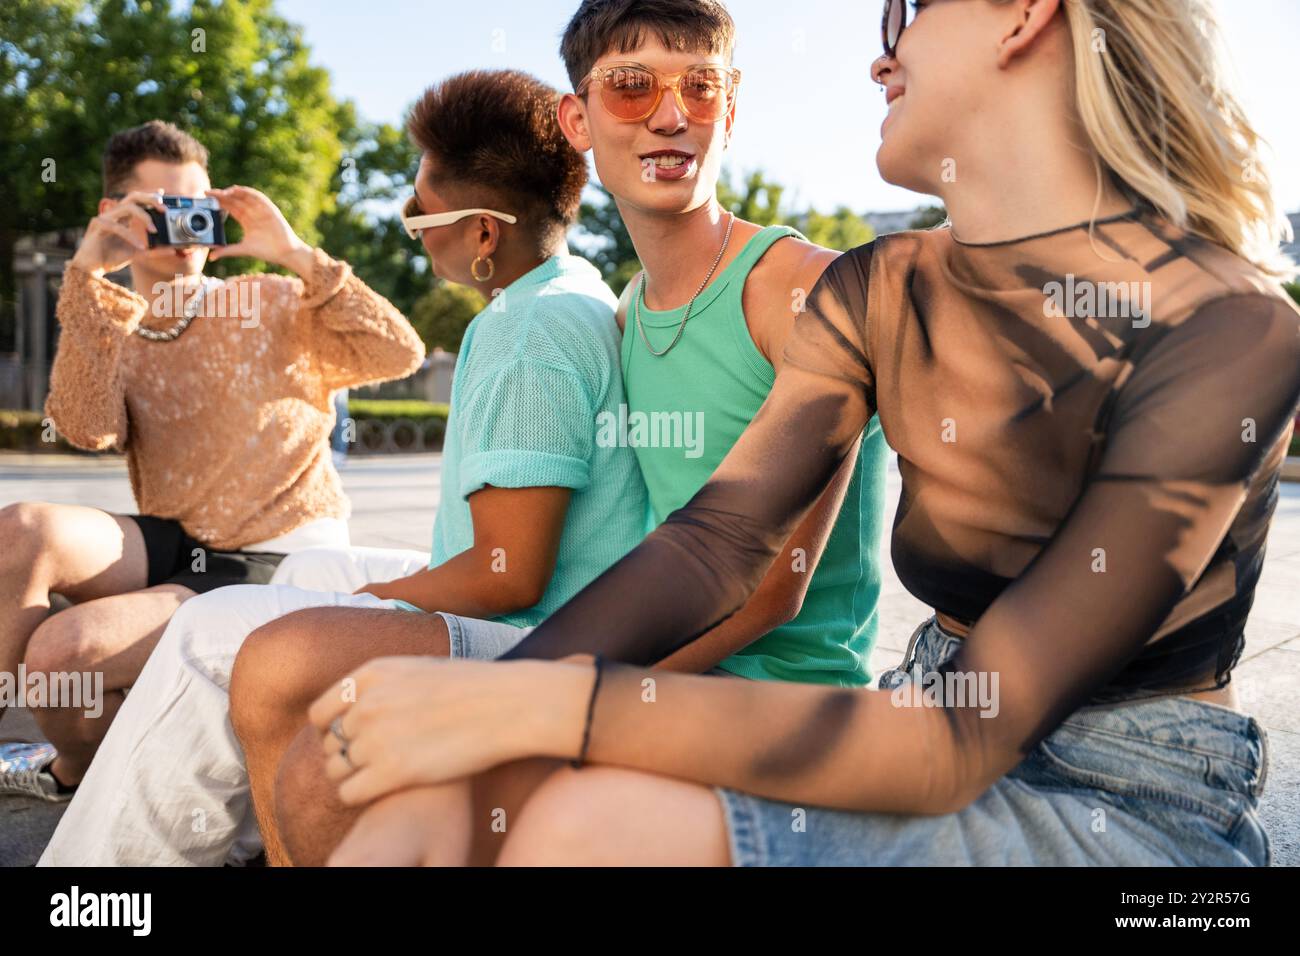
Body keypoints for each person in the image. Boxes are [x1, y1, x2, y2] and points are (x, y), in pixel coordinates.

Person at [314, 0, 1299, 867]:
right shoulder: (878, 286)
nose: (880, 57)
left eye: (899, 15)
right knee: (446, 798)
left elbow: (959, 737)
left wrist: (523, 704)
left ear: (1022, 13)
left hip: (1125, 807)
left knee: (586, 820)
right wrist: (482, 713)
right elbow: (715, 545)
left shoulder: (1231, 325)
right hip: (911, 710)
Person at [262, 0, 890, 866]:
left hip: (771, 699)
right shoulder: (628, 309)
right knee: (323, 760)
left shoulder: (798, 289)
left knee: (365, 786)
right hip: (660, 666)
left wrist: (554, 704)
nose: (671, 115)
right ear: (577, 118)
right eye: (631, 87)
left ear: (732, 110)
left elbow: (773, 589)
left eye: (700, 88)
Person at [37, 69, 648, 866]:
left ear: (484, 233)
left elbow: (509, 579)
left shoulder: (523, 331)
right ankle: (240, 822)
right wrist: (92, 278)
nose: (410, 219)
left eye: (420, 202)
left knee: (211, 631)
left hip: (538, 634)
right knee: (310, 577)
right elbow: (81, 426)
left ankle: (95, 880)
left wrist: (376, 600)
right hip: (553, 608)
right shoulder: (564, 291)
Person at [0, 120, 425, 801]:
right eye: (163, 212)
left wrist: (294, 252)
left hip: (281, 556)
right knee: (20, 527)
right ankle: (74, 764)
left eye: (199, 209)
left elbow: (397, 351)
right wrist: (86, 277)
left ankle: (74, 774)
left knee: (60, 656)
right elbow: (84, 428)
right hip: (175, 543)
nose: (186, 230)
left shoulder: (272, 297)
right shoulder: (113, 320)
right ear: (114, 216)